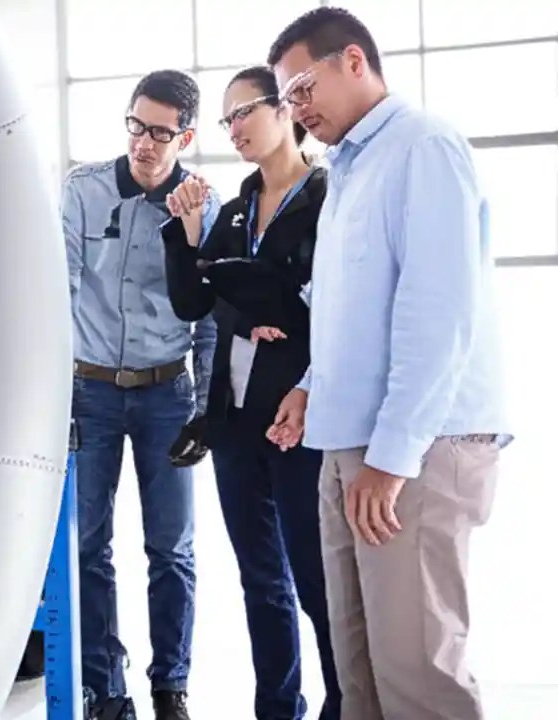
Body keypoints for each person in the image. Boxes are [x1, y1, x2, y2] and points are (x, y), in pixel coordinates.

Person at [265, 8, 510, 720]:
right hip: (351, 443)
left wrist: (392, 457)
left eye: (304, 87)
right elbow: (351, 307)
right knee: (360, 670)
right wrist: (311, 387)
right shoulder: (350, 168)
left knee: (417, 677)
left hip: (414, 450)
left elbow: (438, 313)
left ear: (353, 60)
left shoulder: (422, 147)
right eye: (289, 99)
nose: (299, 109)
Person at [159, 65, 341, 720]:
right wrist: (187, 233)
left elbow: (338, 305)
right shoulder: (234, 211)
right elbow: (192, 301)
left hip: (301, 420)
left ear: (286, 109)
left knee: (321, 585)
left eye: (245, 112)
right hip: (235, 424)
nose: (234, 128)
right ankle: (278, 709)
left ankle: (347, 704)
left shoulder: (328, 197)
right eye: (226, 118)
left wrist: (276, 309)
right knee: (262, 582)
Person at [61, 69, 219, 720]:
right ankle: (105, 689)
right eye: (136, 125)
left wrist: (207, 410)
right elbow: (56, 293)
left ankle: (170, 687)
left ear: (185, 135)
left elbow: (211, 317)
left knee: (170, 549)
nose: (144, 143)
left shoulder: (201, 208)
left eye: (160, 132)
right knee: (89, 545)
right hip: (91, 392)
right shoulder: (82, 192)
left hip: (166, 395)